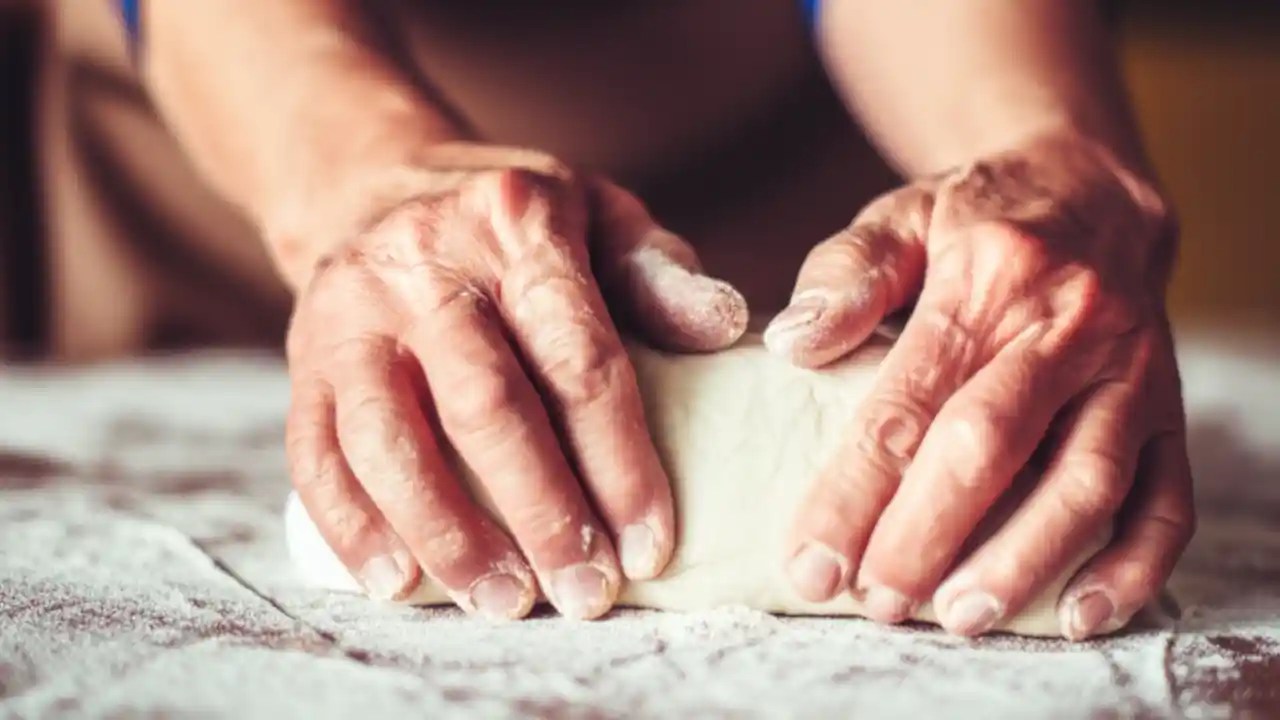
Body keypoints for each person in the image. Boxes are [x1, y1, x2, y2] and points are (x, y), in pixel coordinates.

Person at [62, 0, 1192, 638]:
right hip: (224, 170)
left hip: (800, 212)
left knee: (952, 438)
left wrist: (1045, 158)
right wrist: (364, 181)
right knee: (405, 446)